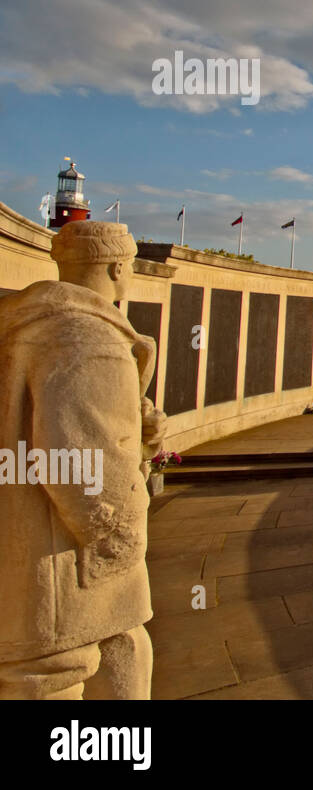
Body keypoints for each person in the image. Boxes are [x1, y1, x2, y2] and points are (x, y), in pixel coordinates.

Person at [0, 220, 161, 699]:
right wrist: (121, 541)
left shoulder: (19, 323)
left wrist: (142, 434)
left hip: (23, 545)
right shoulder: (91, 338)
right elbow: (83, 463)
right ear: (117, 268)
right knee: (58, 677)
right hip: (65, 562)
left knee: (121, 648)